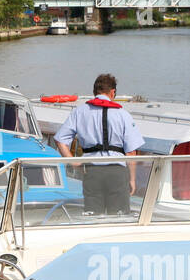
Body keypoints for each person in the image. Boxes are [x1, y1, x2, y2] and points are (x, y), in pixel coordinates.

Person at [53, 73, 144, 215]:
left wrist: (73, 162)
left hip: (92, 171)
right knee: (118, 217)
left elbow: (60, 140)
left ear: (95, 92)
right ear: (113, 92)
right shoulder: (123, 114)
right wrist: (132, 179)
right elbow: (131, 152)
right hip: (117, 172)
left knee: (93, 216)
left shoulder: (80, 112)